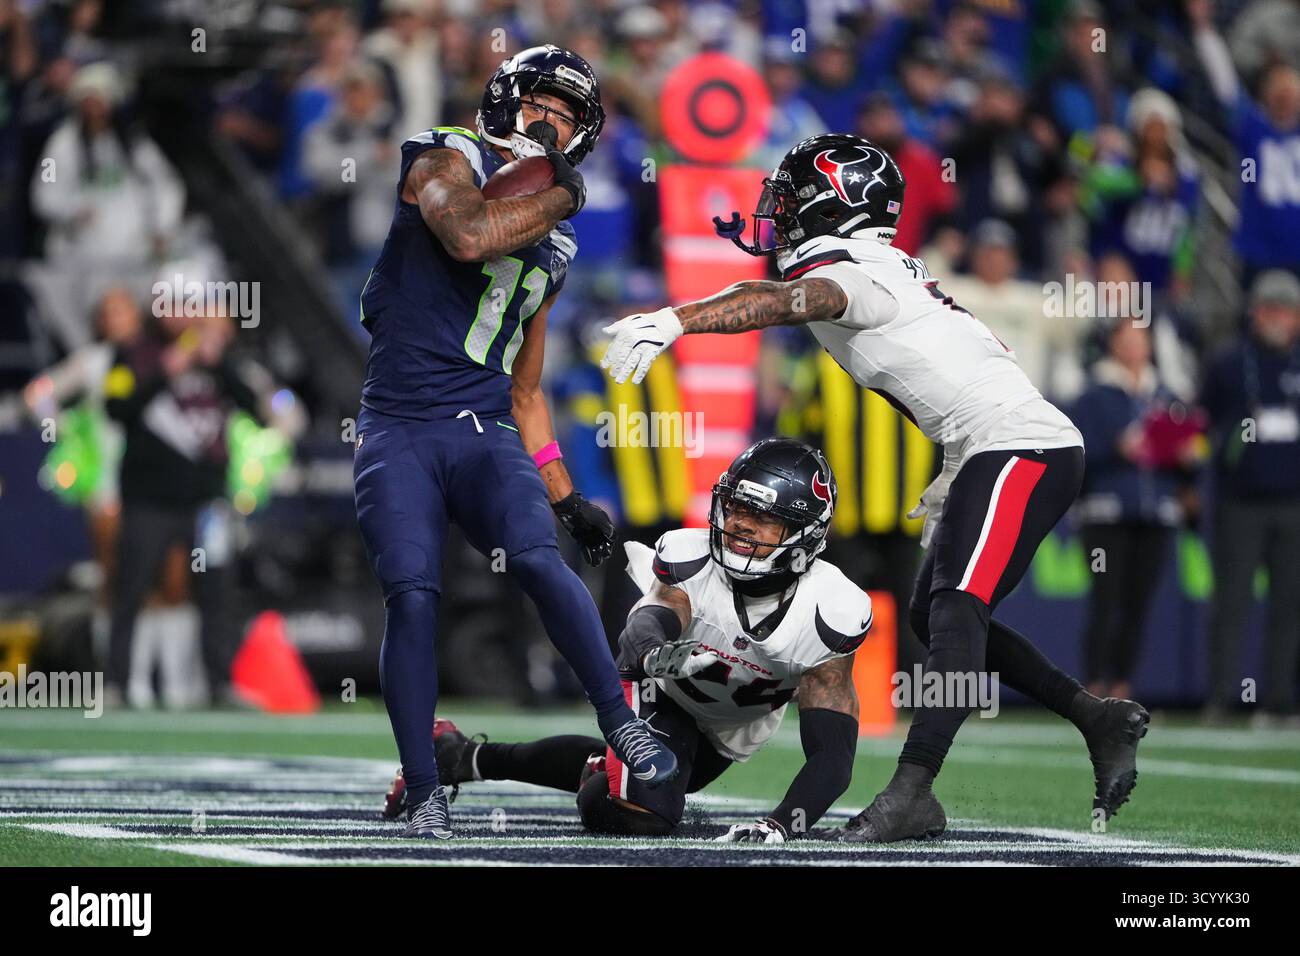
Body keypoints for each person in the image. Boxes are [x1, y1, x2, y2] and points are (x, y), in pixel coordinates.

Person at [601, 133, 1149, 842]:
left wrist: (677, 320)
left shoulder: (857, 274)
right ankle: (1096, 717)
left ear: (838, 204)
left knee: (957, 611)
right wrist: (955, 464)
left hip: (1022, 445)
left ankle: (914, 789)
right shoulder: (871, 265)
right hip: (989, 444)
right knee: (935, 618)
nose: (781, 210)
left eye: (795, 197)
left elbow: (792, 298)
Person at [353, 44, 675, 840]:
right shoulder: (444, 155)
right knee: (415, 597)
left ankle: (618, 724)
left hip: (485, 427)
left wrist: (567, 496)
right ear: (503, 100)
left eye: (570, 118)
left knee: (537, 557)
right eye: (542, 104)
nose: (552, 123)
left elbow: (525, 387)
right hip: (399, 427)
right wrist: (559, 199)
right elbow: (465, 236)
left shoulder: (555, 247)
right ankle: (425, 786)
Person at [383, 439, 868, 842]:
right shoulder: (692, 560)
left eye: (762, 518)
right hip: (660, 682)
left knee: (652, 781)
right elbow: (647, 625)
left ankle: (461, 755)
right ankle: (609, 774)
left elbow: (832, 755)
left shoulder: (830, 612)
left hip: (731, 721)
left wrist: (779, 825)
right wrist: (660, 656)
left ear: (805, 535)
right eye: (736, 508)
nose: (740, 524)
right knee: (641, 816)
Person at [1069, 318, 1200, 701]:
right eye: (1125, 339)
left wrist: (1187, 459)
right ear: (1113, 345)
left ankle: (1123, 687)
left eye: (1139, 339)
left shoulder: (1167, 395)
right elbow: (1076, 452)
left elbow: (1189, 454)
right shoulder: (1094, 395)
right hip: (1105, 514)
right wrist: (1117, 448)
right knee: (1105, 600)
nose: (1132, 347)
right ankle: (1093, 688)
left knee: (1138, 604)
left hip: (1156, 512)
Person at [1200, 270, 1300, 727]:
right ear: (1255, 313)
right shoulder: (1229, 363)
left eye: (1286, 310)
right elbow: (1205, 423)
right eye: (1270, 309)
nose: (1277, 318)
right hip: (1241, 501)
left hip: (1293, 502)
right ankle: (1222, 698)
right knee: (1233, 601)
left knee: (1289, 603)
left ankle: (1278, 700)